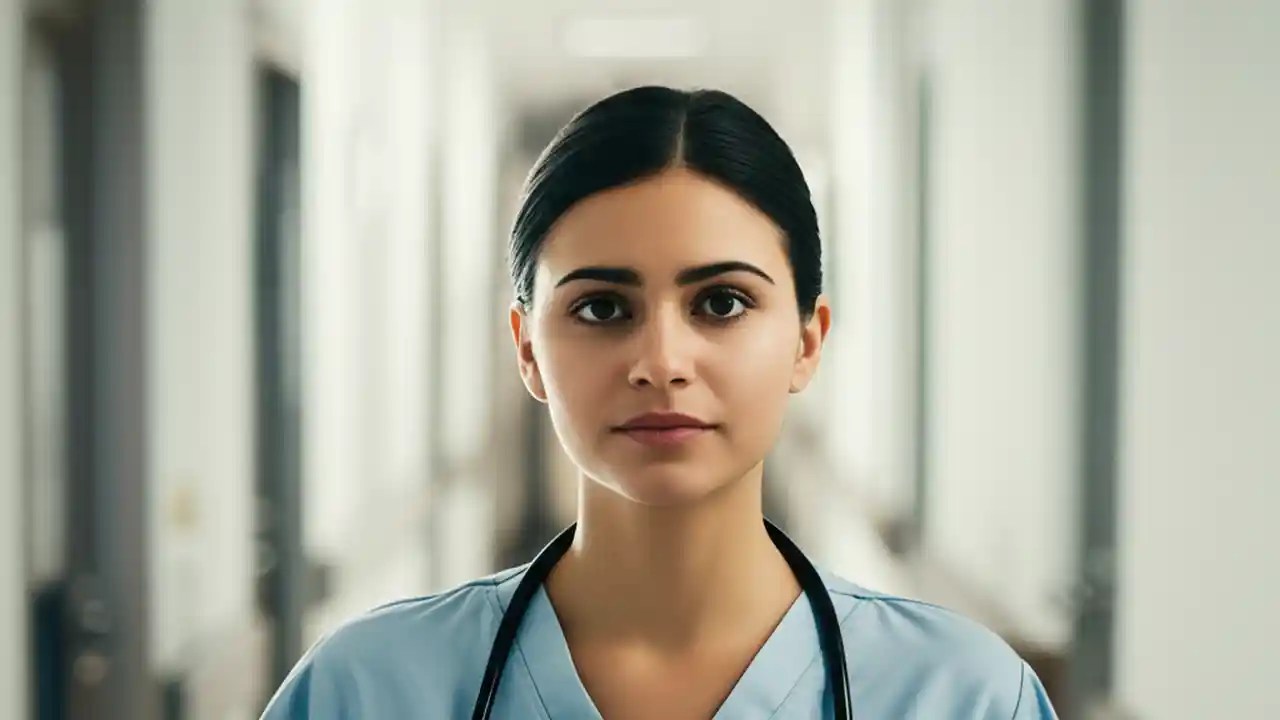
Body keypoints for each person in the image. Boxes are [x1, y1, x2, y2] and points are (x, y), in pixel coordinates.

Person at [260, 85, 1057, 719]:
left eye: (721, 303)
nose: (661, 362)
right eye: (603, 308)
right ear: (528, 349)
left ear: (807, 342)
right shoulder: (365, 690)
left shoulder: (964, 696)